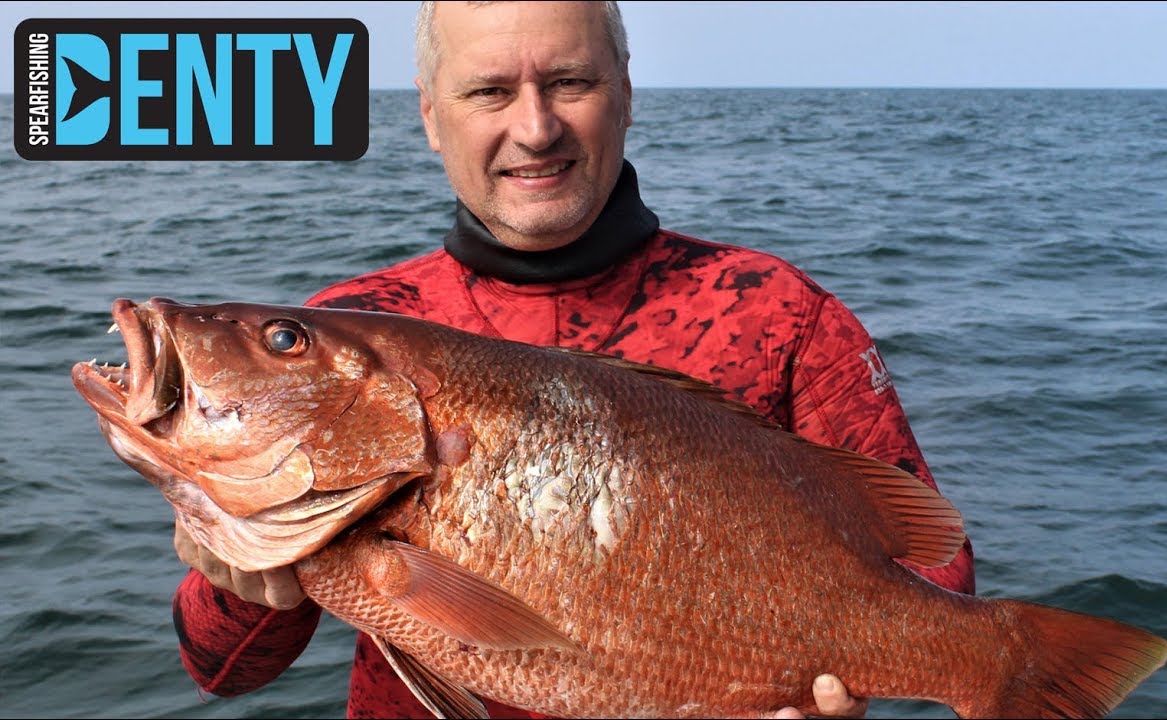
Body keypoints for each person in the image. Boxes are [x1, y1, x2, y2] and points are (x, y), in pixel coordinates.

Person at [170, 2, 976, 718]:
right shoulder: (359, 326)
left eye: (569, 81)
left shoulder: (780, 312)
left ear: (625, 89)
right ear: (429, 113)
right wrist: (239, 575)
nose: (534, 127)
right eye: (488, 91)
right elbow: (221, 672)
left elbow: (940, 577)